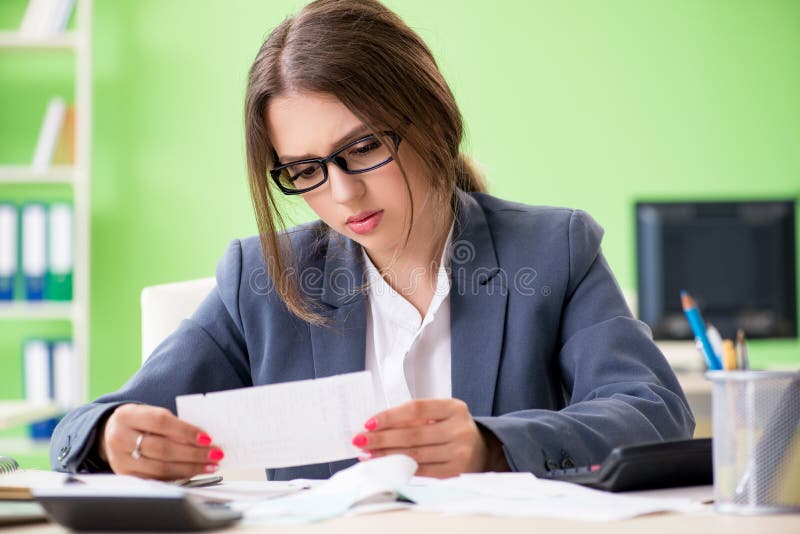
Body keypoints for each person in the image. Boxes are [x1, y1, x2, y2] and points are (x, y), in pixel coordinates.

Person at [50, 0, 694, 481]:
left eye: (362, 148)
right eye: (304, 169)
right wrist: (110, 435)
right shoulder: (262, 279)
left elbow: (656, 414)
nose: (341, 194)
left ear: (434, 119)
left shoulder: (554, 251)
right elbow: (86, 427)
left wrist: (492, 446)